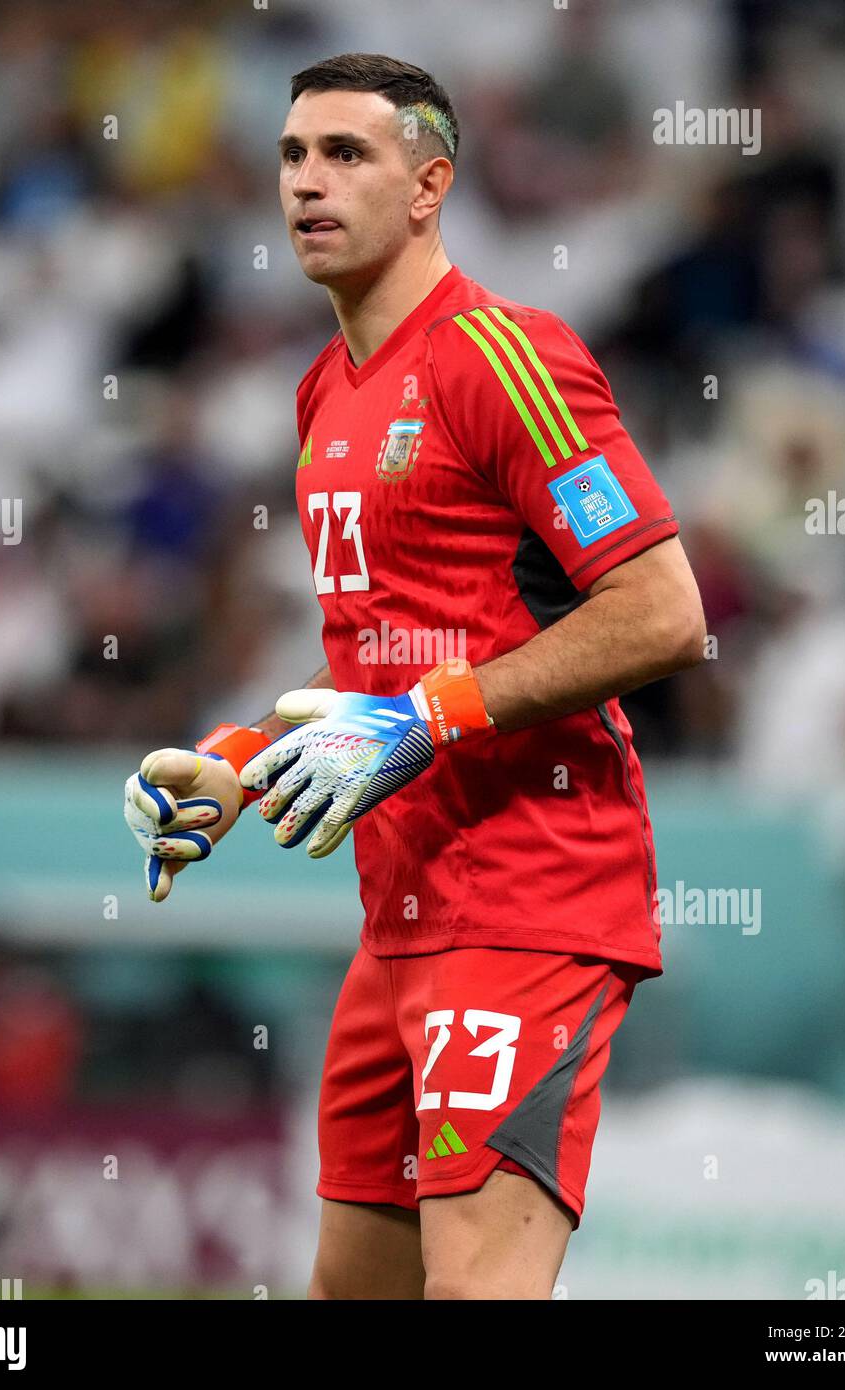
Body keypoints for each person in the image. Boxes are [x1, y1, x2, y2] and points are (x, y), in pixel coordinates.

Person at [124, 53, 705, 1300]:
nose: (307, 184)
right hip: (398, 916)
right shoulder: (323, 394)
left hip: (532, 893)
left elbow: (661, 610)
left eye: (348, 155)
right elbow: (384, 661)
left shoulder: (506, 357)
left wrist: (426, 718)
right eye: (290, 156)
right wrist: (241, 765)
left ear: (430, 183)